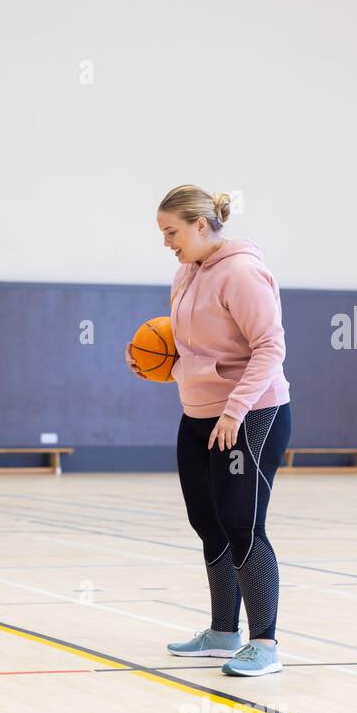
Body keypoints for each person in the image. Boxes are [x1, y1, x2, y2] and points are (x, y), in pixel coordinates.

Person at [126, 185, 291, 677]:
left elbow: (270, 348)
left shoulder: (242, 272)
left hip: (250, 415)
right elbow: (192, 352)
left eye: (171, 232)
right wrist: (159, 366)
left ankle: (265, 643)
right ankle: (224, 633)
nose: (166, 243)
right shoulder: (183, 274)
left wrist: (234, 411)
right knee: (208, 522)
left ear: (201, 225)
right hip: (198, 415)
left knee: (243, 525)